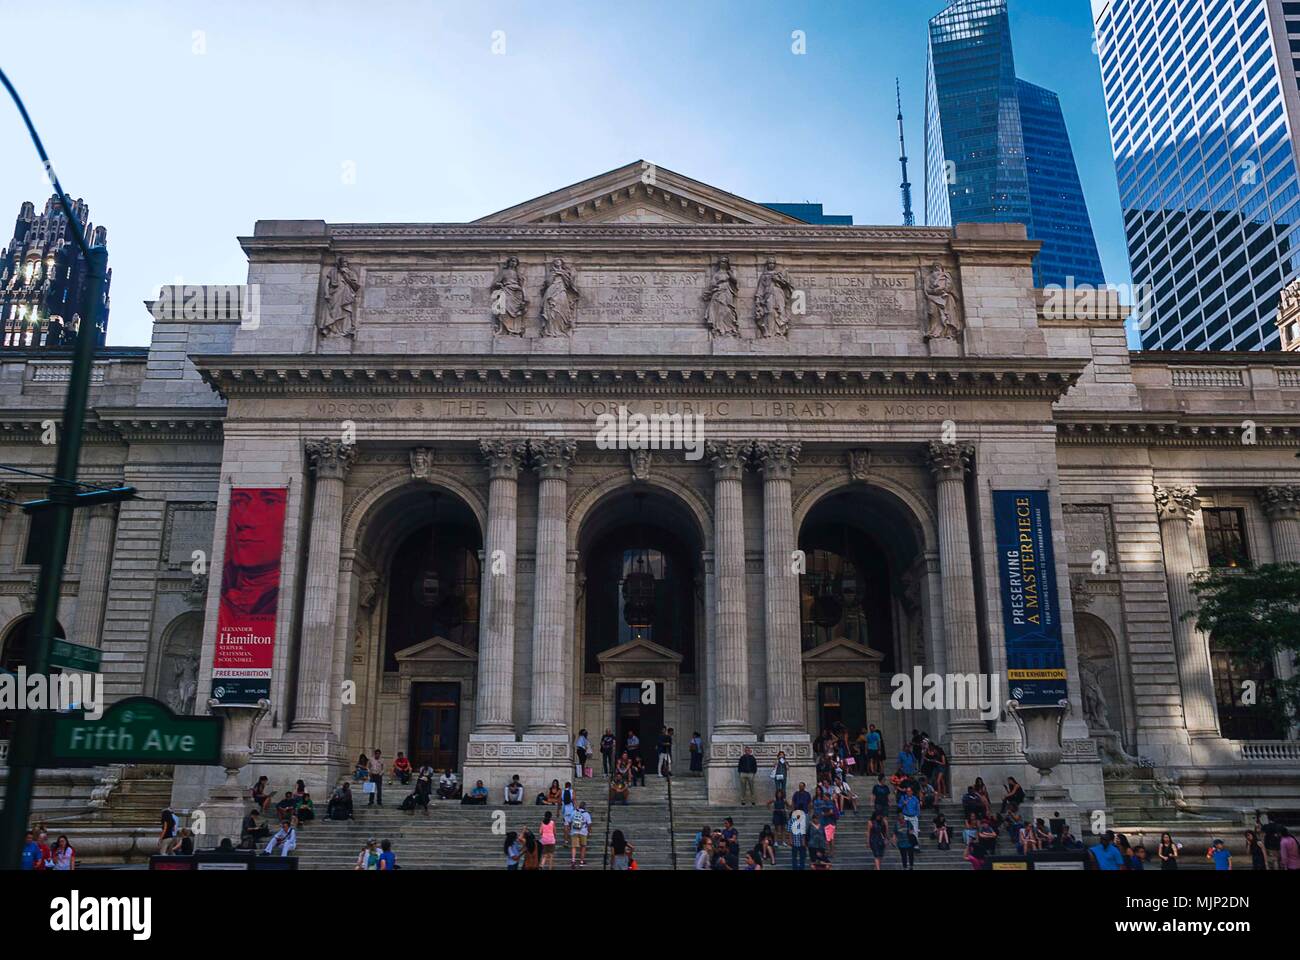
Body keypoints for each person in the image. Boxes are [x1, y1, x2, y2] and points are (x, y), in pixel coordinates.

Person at [569, 801, 592, 867]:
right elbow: (589, 823)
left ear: (579, 806)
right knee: (583, 846)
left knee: (574, 846)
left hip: (574, 831)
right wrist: (589, 831)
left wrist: (570, 829)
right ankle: (581, 861)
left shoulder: (573, 812)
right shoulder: (586, 814)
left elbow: (570, 822)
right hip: (583, 832)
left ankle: (573, 860)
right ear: (585, 807)